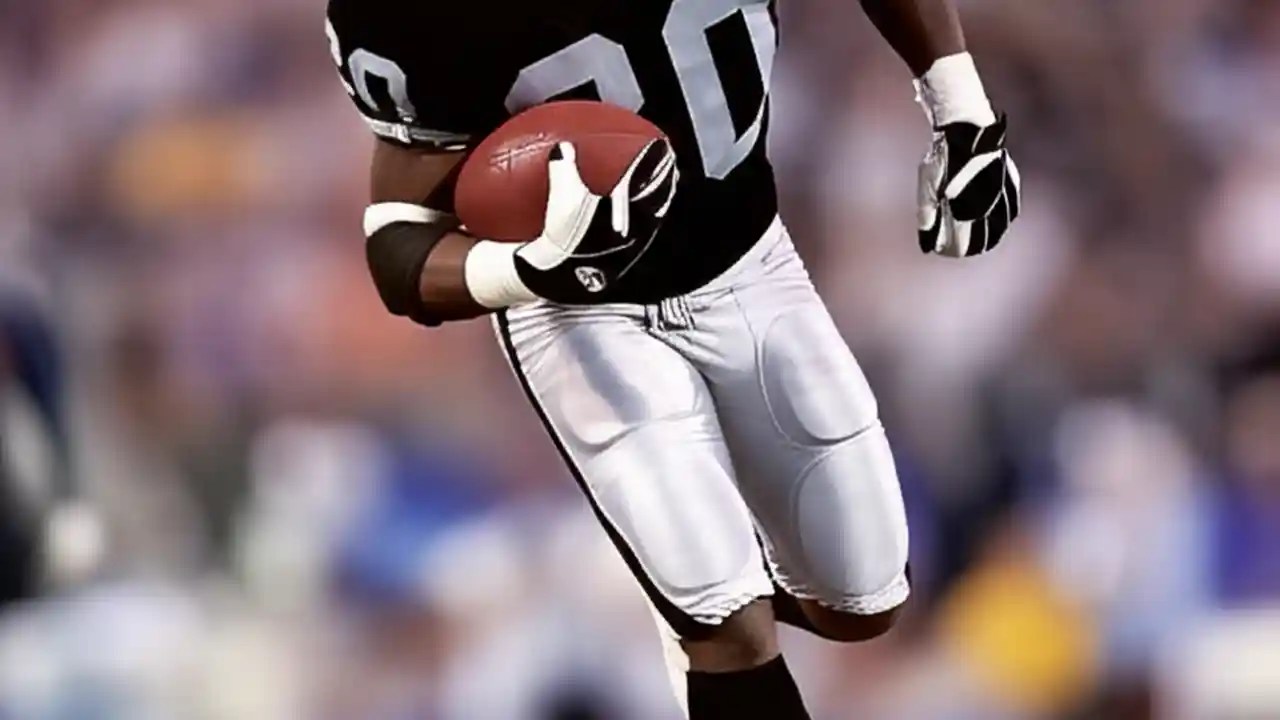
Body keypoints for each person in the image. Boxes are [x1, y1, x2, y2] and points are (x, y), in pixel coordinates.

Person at [324, 0, 1020, 715]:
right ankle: (689, 587)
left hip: (749, 261)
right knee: (725, 620)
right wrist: (529, 267)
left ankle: (678, 569)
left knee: (864, 602)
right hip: (580, 313)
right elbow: (401, 245)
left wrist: (959, 107)